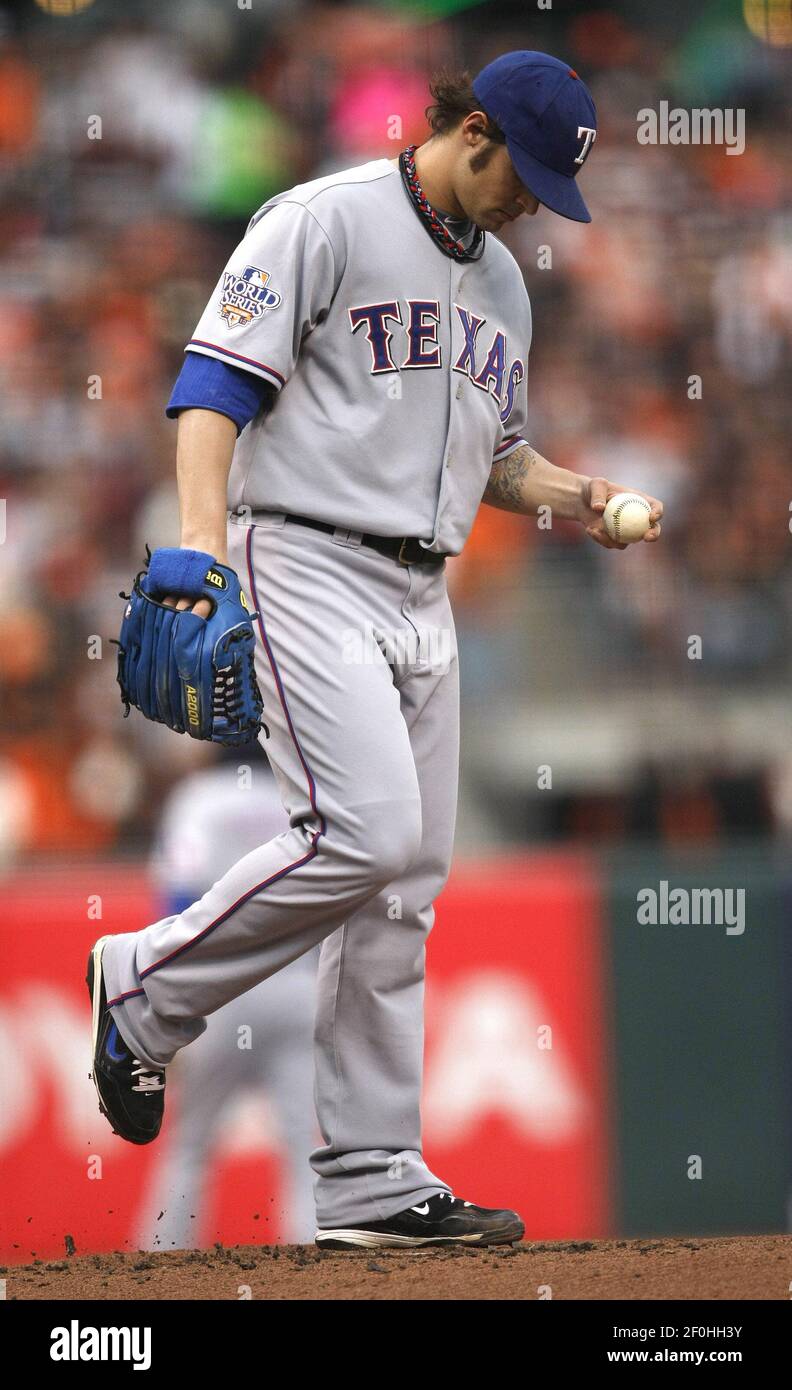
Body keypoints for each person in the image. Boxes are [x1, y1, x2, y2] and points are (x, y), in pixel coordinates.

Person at [87, 51, 662, 1249]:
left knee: (403, 888)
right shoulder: (323, 219)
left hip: (424, 588)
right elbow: (211, 387)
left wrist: (579, 492)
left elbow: (497, 459)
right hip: (304, 554)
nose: (531, 204)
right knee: (363, 831)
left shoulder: (506, 283)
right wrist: (199, 551)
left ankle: (366, 1173)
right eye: (526, 175)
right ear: (474, 131)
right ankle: (139, 989)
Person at [135, 750, 318, 1250]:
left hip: (217, 993)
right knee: (307, 1149)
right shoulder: (299, 800)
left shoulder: (198, 798)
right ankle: (321, 1277)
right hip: (298, 984)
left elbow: (176, 901)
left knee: (190, 1142)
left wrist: (166, 1006)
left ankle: (161, 1267)